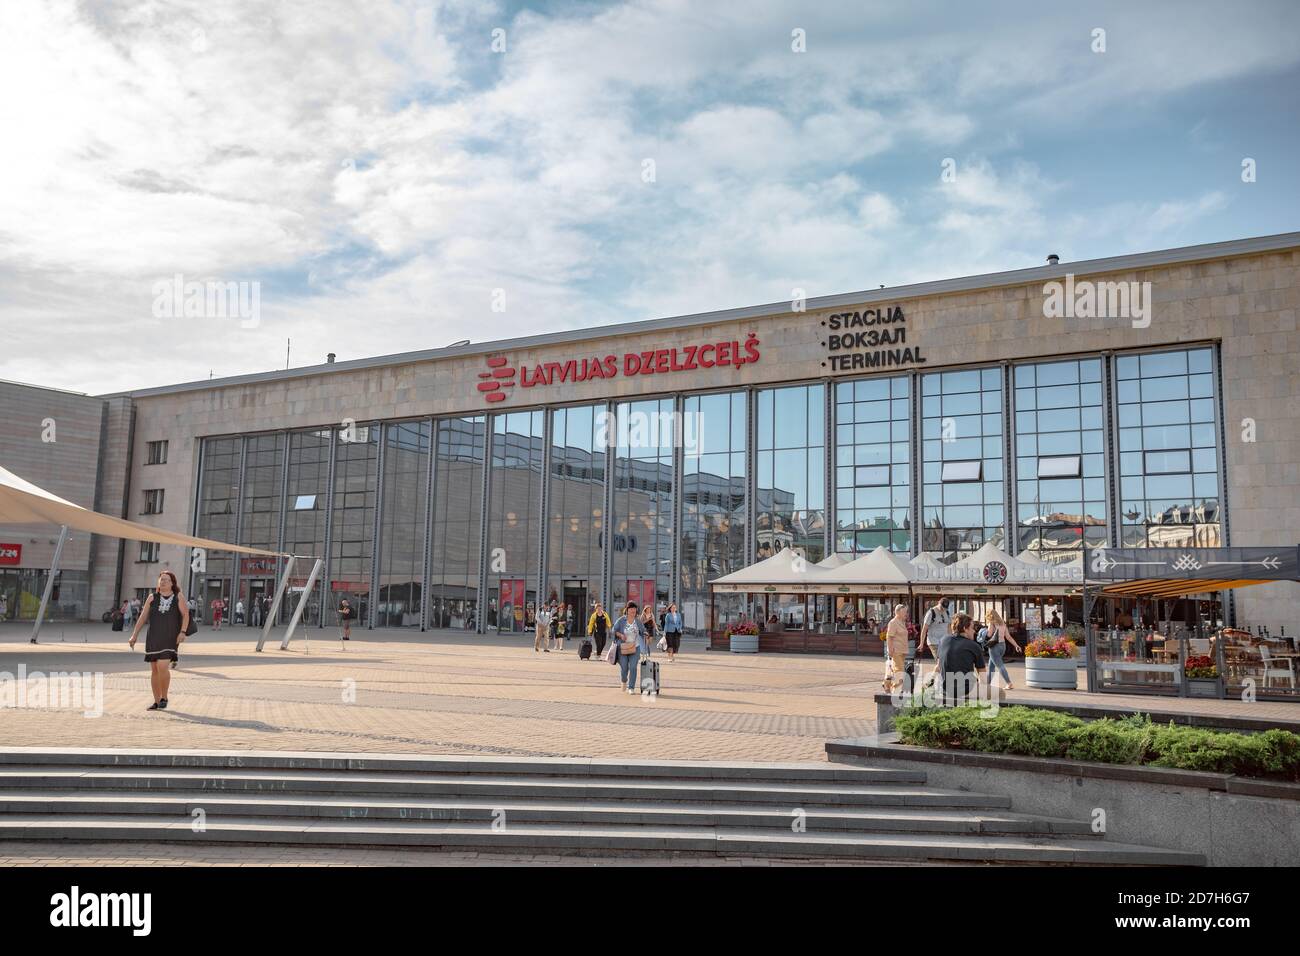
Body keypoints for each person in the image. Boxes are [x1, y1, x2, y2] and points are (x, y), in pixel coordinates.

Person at [127, 570, 190, 710]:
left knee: (162, 667)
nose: (163, 582)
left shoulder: (178, 596)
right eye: (161, 579)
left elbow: (186, 615)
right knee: (155, 670)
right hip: (153, 637)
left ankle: (164, 697)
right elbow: (143, 618)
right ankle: (156, 701)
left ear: (172, 583)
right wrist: (134, 635)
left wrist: (183, 632)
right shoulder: (152, 597)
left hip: (170, 637)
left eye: (166, 580)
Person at [939, 613, 987, 707]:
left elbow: (939, 666)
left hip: (945, 689)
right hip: (966, 690)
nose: (974, 631)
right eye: (972, 628)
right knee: (997, 693)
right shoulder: (974, 646)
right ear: (965, 628)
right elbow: (983, 676)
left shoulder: (943, 640)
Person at [980, 608, 1022, 692]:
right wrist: (1016, 645)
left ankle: (1009, 683)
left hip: (994, 647)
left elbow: (989, 634)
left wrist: (983, 631)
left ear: (989, 615)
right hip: (1003, 646)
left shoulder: (992, 623)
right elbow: (1008, 637)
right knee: (991, 666)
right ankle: (987, 684)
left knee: (1000, 665)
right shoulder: (1003, 623)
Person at [613, 602, 646, 694]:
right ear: (627, 610)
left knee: (633, 667)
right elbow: (614, 630)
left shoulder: (638, 621)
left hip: (635, 647)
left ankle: (631, 687)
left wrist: (645, 633)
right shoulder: (621, 620)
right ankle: (624, 680)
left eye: (634, 609)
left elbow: (643, 630)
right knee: (624, 668)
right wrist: (620, 635)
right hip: (623, 648)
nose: (633, 610)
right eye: (631, 609)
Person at [917, 597, 952, 678]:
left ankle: (936, 680)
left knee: (945, 662)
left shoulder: (947, 612)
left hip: (944, 641)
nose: (943, 610)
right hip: (934, 641)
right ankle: (931, 681)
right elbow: (924, 628)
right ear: (938, 603)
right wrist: (921, 643)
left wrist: (951, 639)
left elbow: (949, 627)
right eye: (942, 607)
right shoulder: (931, 612)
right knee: (940, 662)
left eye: (945, 608)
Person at [882, 603, 910, 694]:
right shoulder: (893, 622)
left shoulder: (902, 622)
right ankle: (896, 690)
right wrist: (890, 650)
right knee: (899, 671)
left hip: (902, 651)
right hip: (896, 650)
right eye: (904, 612)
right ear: (897, 612)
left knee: (894, 669)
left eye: (906, 612)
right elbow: (889, 637)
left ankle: (886, 683)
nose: (906, 614)